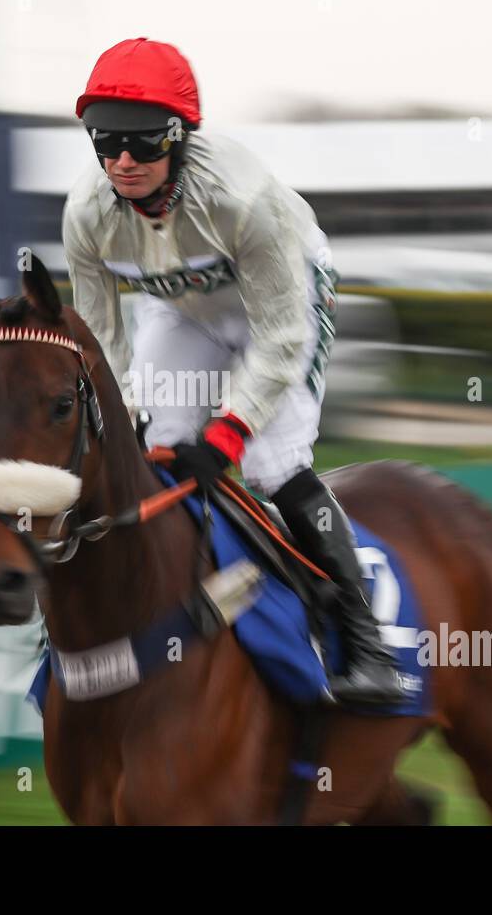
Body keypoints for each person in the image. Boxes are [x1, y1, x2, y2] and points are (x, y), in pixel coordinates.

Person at [62, 37, 401, 706]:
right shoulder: (85, 216)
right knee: (152, 449)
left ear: (181, 137)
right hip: (183, 310)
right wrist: (123, 413)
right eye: (106, 141)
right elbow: (101, 342)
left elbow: (280, 336)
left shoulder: (245, 200)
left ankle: (367, 642)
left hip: (278, 307)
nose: (123, 161)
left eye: (144, 144)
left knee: (271, 466)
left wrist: (231, 431)